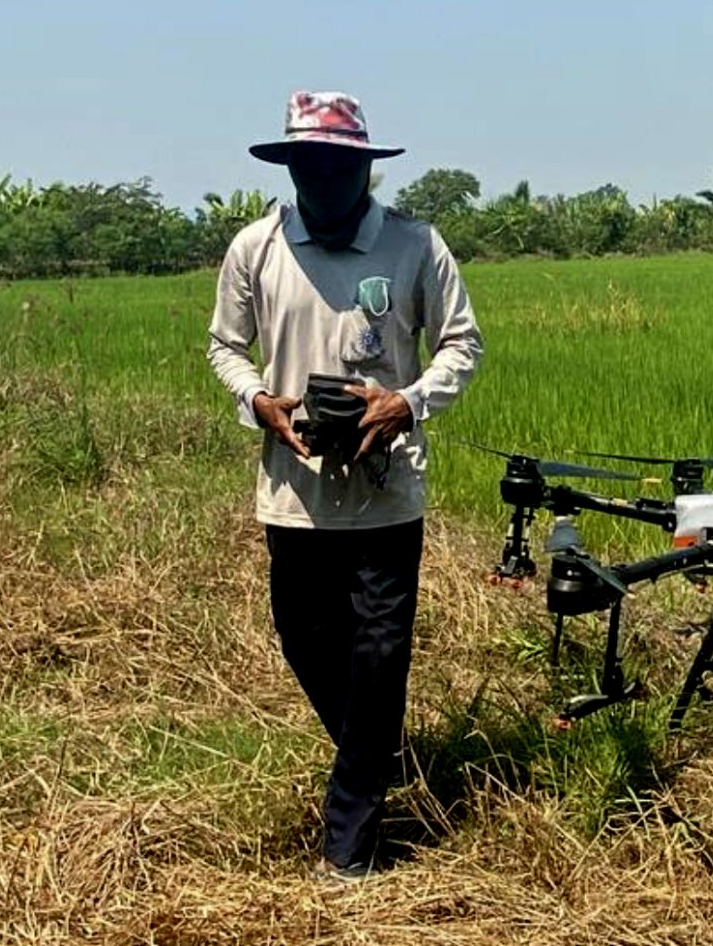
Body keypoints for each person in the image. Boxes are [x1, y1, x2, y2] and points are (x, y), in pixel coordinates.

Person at [207, 90, 482, 881]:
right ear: (290, 168)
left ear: (364, 169)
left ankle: (348, 845)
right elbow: (225, 345)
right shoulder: (255, 249)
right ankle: (377, 750)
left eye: (338, 166)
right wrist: (259, 401)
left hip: (387, 493)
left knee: (381, 651)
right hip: (294, 492)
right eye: (309, 166)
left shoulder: (414, 247)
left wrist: (406, 401)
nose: (323, 182)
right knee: (304, 637)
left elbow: (462, 344)